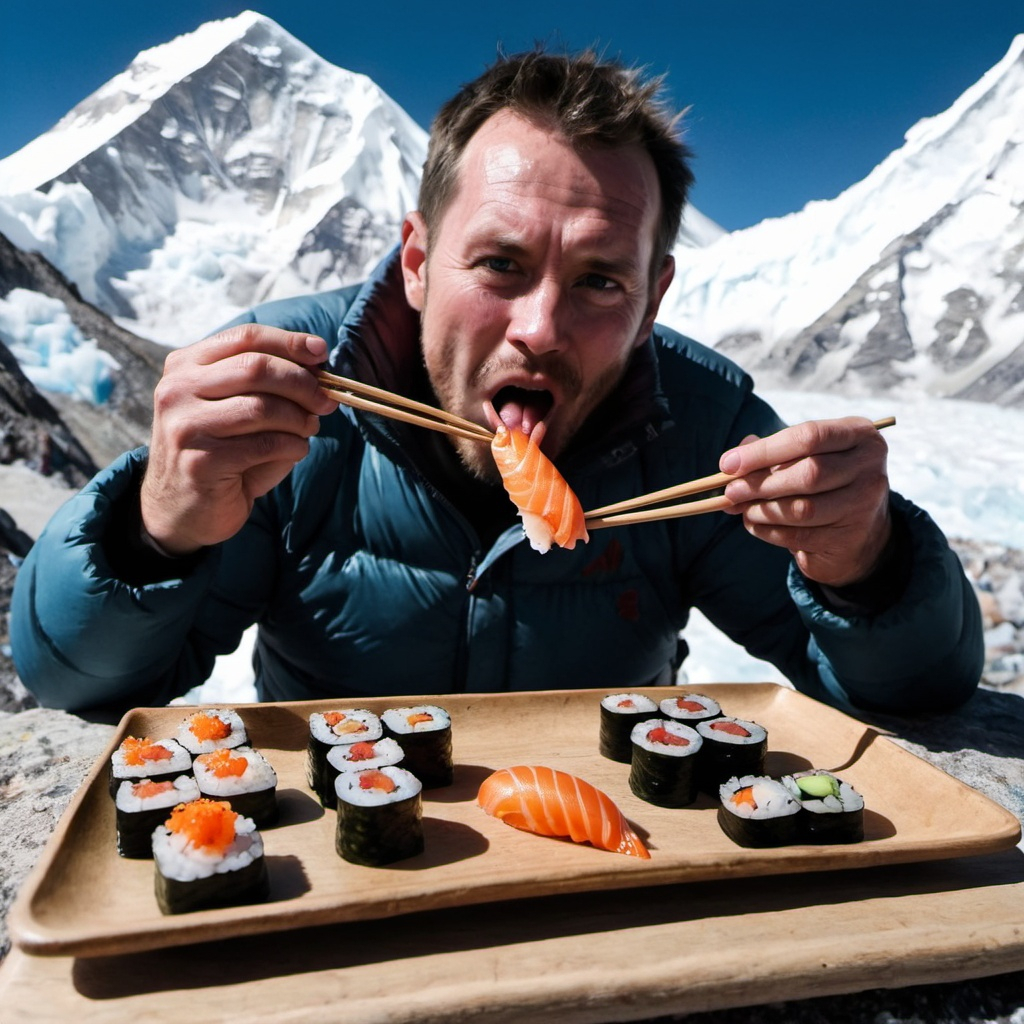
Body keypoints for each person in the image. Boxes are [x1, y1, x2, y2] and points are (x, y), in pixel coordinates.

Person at [11, 49, 982, 717]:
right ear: (417, 262)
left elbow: (911, 693)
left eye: (600, 279)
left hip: (605, 844)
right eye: (500, 265)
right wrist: (152, 527)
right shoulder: (288, 396)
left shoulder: (702, 423)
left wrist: (868, 563)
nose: (540, 330)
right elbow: (74, 685)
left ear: (652, 300)